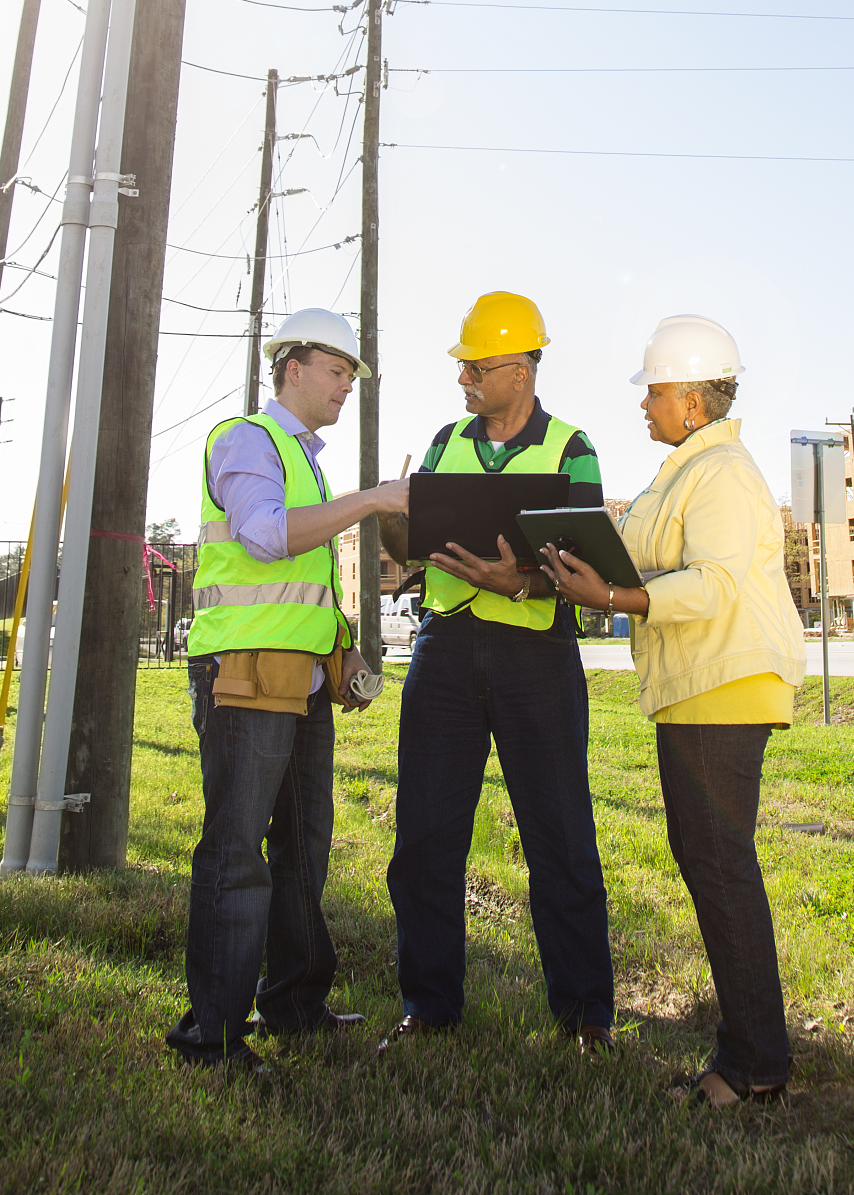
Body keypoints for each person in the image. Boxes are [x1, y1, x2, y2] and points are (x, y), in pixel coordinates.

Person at [544, 315, 806, 1107]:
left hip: (722, 687)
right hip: (698, 688)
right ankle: (751, 1056)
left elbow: (718, 583)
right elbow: (635, 548)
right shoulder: (682, 471)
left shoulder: (721, 471)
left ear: (693, 400)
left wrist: (618, 596)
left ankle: (753, 1066)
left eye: (653, 392)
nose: (643, 406)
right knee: (711, 867)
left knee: (721, 872)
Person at [166, 308, 409, 1070]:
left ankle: (295, 1005)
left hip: (299, 681)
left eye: (351, 376)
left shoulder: (304, 460)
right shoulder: (247, 440)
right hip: (242, 678)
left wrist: (341, 654)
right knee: (237, 849)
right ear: (293, 367)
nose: (347, 387)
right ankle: (212, 1030)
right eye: (338, 371)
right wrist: (371, 500)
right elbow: (264, 535)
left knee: (303, 845)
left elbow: (296, 576)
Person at [375, 291, 615, 1054]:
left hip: (534, 658)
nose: (464, 380)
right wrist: (397, 537)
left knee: (560, 839)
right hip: (443, 650)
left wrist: (520, 583)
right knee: (424, 837)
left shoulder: (573, 448)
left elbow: (580, 565)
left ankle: (584, 1017)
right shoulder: (446, 441)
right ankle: (429, 1006)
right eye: (464, 367)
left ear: (520, 370)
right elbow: (422, 541)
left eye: (475, 368)